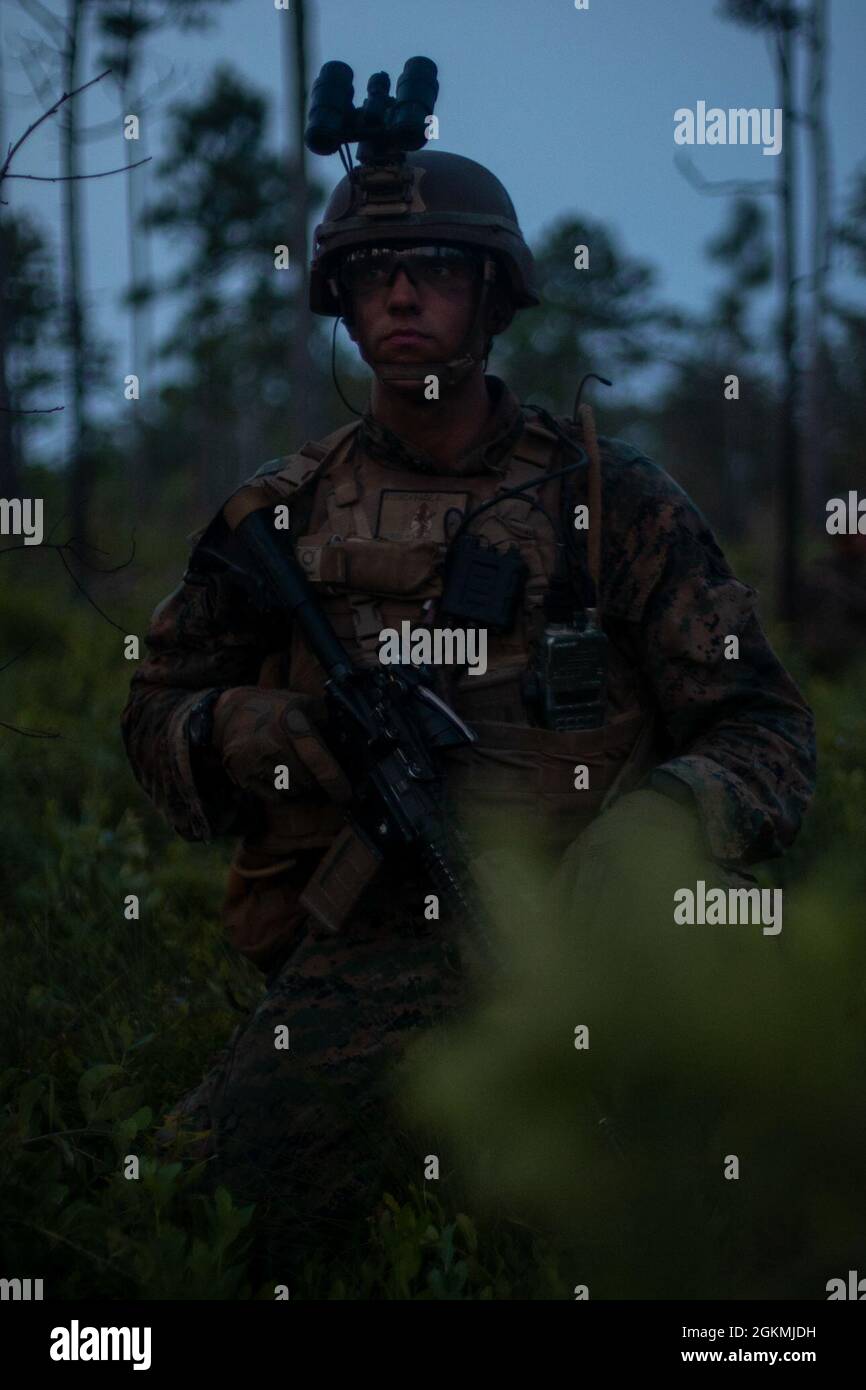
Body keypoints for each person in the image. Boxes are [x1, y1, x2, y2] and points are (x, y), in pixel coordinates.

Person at [121, 148, 816, 1261]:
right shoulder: (280, 517)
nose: (400, 292)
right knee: (200, 1207)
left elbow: (765, 727)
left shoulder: (609, 499)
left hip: (603, 918)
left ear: (490, 293)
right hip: (382, 930)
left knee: (754, 1168)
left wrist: (662, 821)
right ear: (342, 305)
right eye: (372, 270)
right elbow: (153, 711)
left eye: (435, 265)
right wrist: (248, 732)